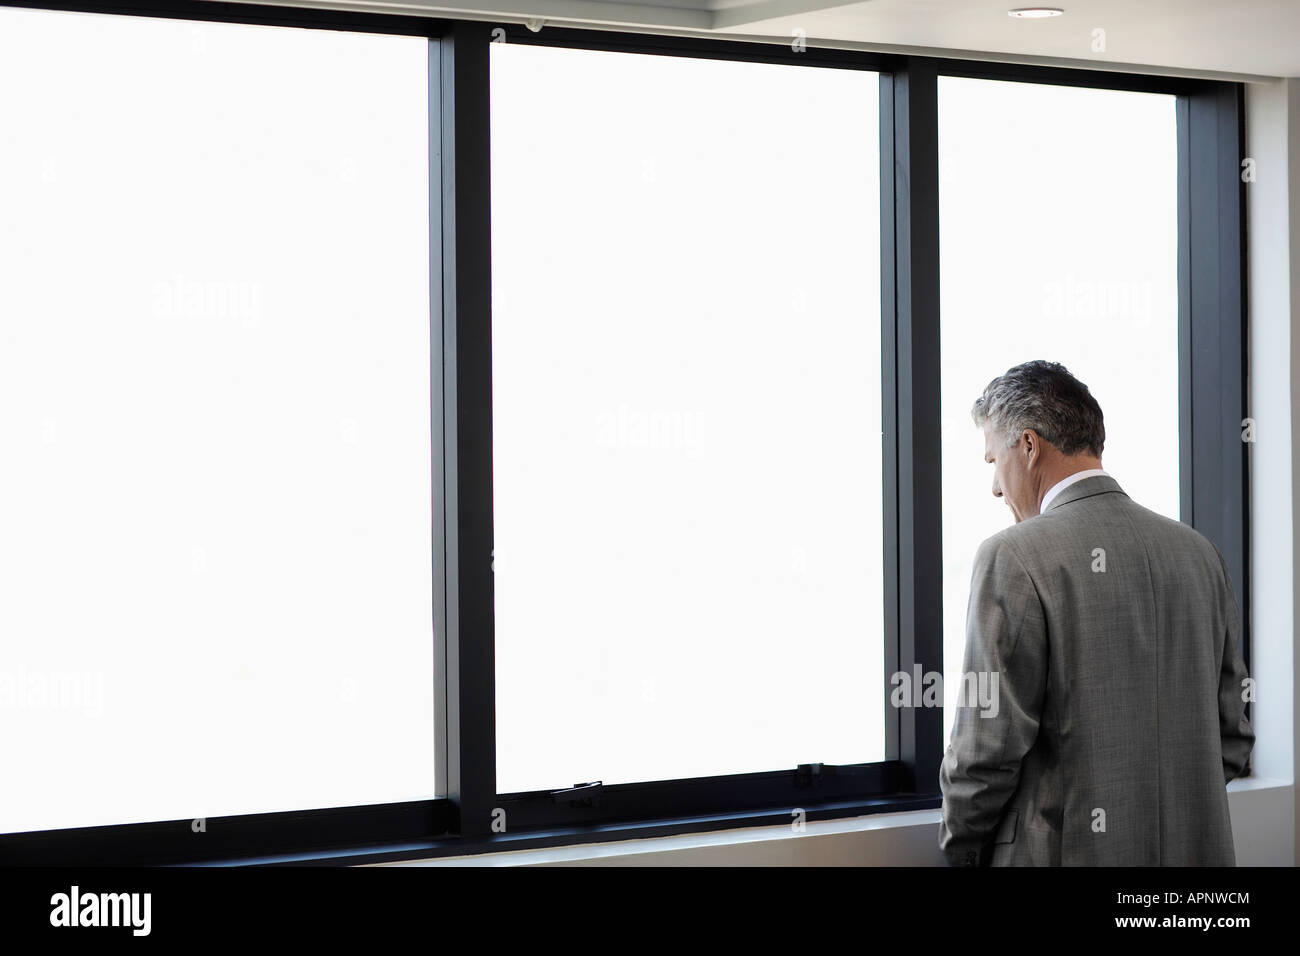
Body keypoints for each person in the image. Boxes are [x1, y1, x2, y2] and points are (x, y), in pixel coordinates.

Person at [938, 360, 1254, 866]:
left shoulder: (1013, 557)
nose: (996, 488)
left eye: (992, 460)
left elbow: (985, 756)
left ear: (1028, 445)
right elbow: (1233, 736)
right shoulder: (1199, 553)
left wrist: (960, 851)